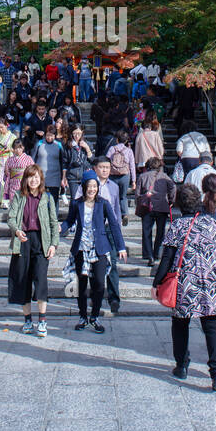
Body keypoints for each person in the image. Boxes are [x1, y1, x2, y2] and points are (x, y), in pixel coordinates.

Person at [152, 184, 216, 392]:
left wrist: (157, 282)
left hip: (185, 282)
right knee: (212, 328)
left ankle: (181, 366)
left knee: (180, 324)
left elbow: (167, 257)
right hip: (211, 280)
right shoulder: (211, 223)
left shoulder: (177, 226)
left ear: (180, 203)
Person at [64, 175, 126, 333]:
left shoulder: (103, 204)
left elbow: (113, 224)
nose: (92, 189)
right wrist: (60, 229)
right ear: (84, 187)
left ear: (98, 188)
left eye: (94, 186)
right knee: (82, 285)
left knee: (99, 283)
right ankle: (83, 316)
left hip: (99, 248)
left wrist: (121, 247)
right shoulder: (77, 203)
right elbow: (69, 221)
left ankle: (95, 316)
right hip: (81, 249)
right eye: (89, 186)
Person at [7, 164, 60, 337]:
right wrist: (16, 230)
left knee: (40, 279)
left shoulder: (47, 198)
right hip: (23, 241)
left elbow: (53, 222)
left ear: (41, 179)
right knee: (23, 281)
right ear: (25, 179)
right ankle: (28, 320)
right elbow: (11, 218)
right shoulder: (18, 196)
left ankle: (42, 321)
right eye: (30, 176)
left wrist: (54, 244)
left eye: (36, 177)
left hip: (41, 241)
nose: (33, 180)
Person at [89, 157, 124, 313]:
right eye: (102, 167)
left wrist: (118, 230)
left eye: (107, 167)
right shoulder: (89, 185)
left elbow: (116, 209)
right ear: (95, 168)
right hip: (93, 229)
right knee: (94, 265)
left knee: (113, 263)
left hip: (110, 228)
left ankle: (114, 298)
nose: (105, 170)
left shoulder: (114, 187)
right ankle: (95, 297)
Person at [136, 156, 174, 265]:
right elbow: (173, 187)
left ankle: (149, 256)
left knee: (146, 231)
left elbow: (138, 194)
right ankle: (156, 253)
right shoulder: (165, 176)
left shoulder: (142, 176)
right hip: (162, 206)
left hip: (147, 207)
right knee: (160, 232)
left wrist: (140, 203)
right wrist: (171, 200)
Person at [105, 129, 136, 210]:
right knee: (123, 196)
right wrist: (133, 181)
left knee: (112, 195)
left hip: (113, 175)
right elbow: (132, 166)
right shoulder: (129, 151)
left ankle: (113, 213)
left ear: (117, 140)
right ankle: (124, 213)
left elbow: (106, 161)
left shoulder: (112, 149)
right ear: (126, 141)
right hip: (125, 175)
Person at [61, 124, 93, 201]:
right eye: (74, 133)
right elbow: (64, 162)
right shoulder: (68, 145)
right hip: (72, 175)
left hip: (85, 174)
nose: (76, 136)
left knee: (85, 198)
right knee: (74, 199)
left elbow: (92, 159)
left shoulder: (87, 144)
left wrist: (87, 148)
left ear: (82, 132)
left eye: (79, 133)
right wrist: (64, 177)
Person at [0, 116, 18, 205]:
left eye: (2, 127)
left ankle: (5, 201)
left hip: (8, 160)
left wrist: (9, 149)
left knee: (5, 181)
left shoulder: (12, 136)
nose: (0, 129)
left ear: (7, 126)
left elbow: (16, 149)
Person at [134, 113, 165, 184]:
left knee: (146, 177)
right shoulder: (156, 134)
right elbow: (160, 148)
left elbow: (137, 150)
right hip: (155, 160)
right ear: (150, 127)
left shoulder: (140, 135)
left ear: (143, 128)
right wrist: (161, 157)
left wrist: (137, 162)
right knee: (156, 177)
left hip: (144, 160)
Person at [5, 134, 36, 202]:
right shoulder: (9, 160)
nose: (17, 150)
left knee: (23, 204)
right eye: (15, 148)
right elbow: (7, 173)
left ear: (23, 148)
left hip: (24, 184)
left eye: (19, 148)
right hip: (13, 184)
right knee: (13, 204)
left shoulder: (28, 158)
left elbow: (33, 171)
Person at [34, 131, 64, 200]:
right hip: (41, 176)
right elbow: (33, 157)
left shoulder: (58, 144)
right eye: (47, 135)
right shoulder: (39, 143)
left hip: (55, 176)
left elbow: (62, 161)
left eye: (52, 136)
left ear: (55, 136)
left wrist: (63, 176)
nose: (49, 138)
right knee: (39, 199)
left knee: (54, 200)